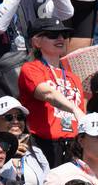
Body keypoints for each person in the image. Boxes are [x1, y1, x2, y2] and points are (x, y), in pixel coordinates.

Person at [17, 19, 84, 167]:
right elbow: (48, 94)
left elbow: (82, 114)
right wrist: (74, 108)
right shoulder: (31, 68)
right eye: (53, 35)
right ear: (37, 41)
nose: (60, 38)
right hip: (44, 143)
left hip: (74, 146)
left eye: (64, 34)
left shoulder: (74, 77)